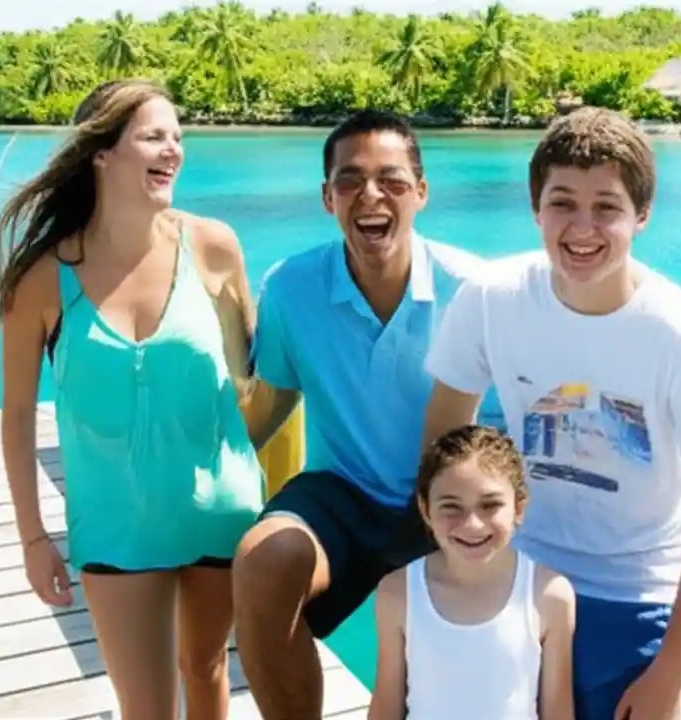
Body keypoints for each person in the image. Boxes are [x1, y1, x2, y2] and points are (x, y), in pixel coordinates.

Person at [420, 106, 681, 720]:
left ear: (642, 215)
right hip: (517, 569)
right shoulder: (492, 298)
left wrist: (670, 672)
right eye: (562, 202)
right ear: (535, 208)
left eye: (607, 208)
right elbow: (443, 437)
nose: (581, 228)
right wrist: (453, 566)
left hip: (639, 594)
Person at [0, 79, 264, 720]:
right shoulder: (42, 279)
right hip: (116, 526)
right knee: (145, 709)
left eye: (177, 137)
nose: (173, 150)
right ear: (102, 154)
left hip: (220, 510)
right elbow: (16, 416)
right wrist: (33, 539)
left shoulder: (214, 247)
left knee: (206, 669)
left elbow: (250, 378)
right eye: (153, 137)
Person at [230, 109, 500, 719]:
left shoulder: (475, 292)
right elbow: (269, 405)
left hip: (449, 505)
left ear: (421, 193)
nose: (371, 195)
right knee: (262, 561)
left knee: (450, 672)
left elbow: (516, 439)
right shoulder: (293, 287)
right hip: (342, 494)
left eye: (393, 180)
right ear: (327, 197)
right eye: (350, 181)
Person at [368, 424, 575, 720]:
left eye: (490, 505)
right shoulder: (398, 592)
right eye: (451, 507)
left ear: (519, 507)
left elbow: (558, 711)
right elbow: (386, 706)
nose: (472, 525)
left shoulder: (550, 595)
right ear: (425, 510)